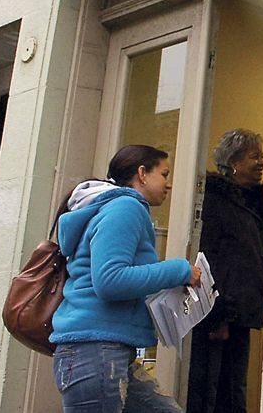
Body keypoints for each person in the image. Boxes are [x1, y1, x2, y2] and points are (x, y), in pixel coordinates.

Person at [50, 145, 201, 413]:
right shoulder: (126, 207)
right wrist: (180, 271)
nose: (169, 184)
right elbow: (110, 280)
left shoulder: (116, 207)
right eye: (164, 174)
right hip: (96, 351)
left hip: (106, 349)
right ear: (142, 174)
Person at [187, 129, 263, 413]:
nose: (261, 162)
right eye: (254, 156)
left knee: (234, 385)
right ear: (234, 161)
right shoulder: (216, 203)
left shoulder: (253, 205)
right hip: (218, 313)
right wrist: (217, 315)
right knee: (211, 387)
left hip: (239, 312)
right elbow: (211, 257)